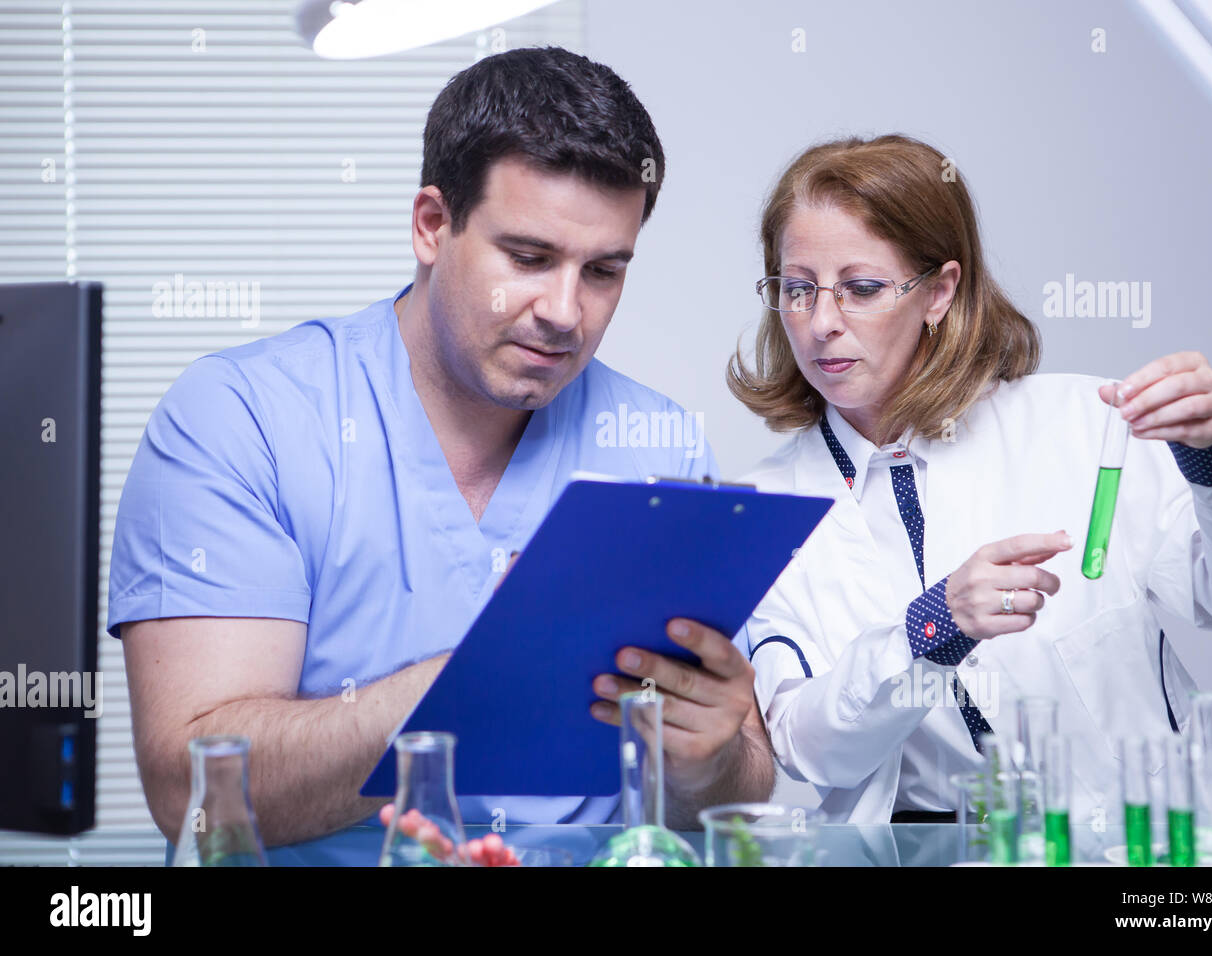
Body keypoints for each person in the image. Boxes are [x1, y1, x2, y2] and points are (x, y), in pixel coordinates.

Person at [108, 46, 772, 863]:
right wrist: (466, 684)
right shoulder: (242, 420)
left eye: (603, 270)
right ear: (432, 225)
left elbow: (739, 787)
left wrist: (716, 761)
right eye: (528, 259)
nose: (565, 312)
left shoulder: (661, 446)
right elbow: (191, 796)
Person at [728, 133, 1212, 828]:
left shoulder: (1088, 427)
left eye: (862, 289)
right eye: (798, 288)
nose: (820, 323)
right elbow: (806, 747)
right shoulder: (759, 510)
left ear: (939, 291)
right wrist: (929, 628)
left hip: (1164, 861)